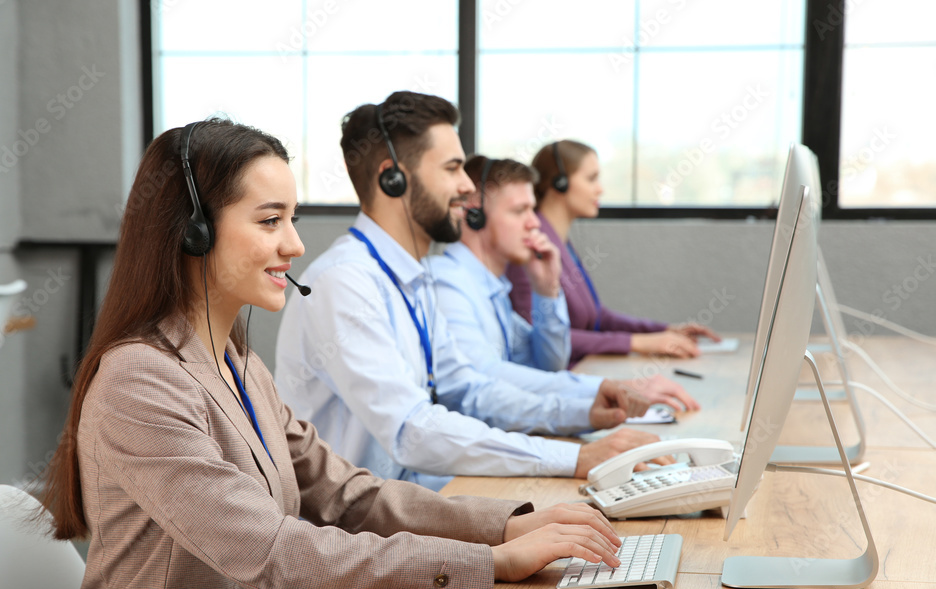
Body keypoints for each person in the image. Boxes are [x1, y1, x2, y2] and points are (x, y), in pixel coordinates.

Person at [39, 119, 624, 589]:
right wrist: (488, 563)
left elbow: (349, 496)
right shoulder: (140, 382)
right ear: (192, 233)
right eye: (270, 221)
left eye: (290, 219)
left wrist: (504, 526)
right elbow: (269, 551)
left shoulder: (238, 363)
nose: (294, 245)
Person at [276, 91, 668, 493]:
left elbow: (470, 388)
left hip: (414, 497)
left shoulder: (413, 278)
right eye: (452, 169)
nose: (466, 187)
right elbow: (411, 430)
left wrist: (584, 410)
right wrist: (575, 458)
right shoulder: (344, 283)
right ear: (392, 177)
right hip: (360, 529)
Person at [429, 155, 699, 411]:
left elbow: (548, 363)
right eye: (520, 211)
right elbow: (486, 375)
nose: (534, 223)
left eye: (532, 210)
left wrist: (547, 291)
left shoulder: (491, 289)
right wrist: (606, 388)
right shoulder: (448, 283)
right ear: (474, 214)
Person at [506, 140, 722, 366]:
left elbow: (597, 316)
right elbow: (538, 336)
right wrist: (636, 343)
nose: (600, 189)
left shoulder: (560, 241)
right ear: (560, 183)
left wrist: (664, 330)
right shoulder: (533, 247)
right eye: (591, 178)